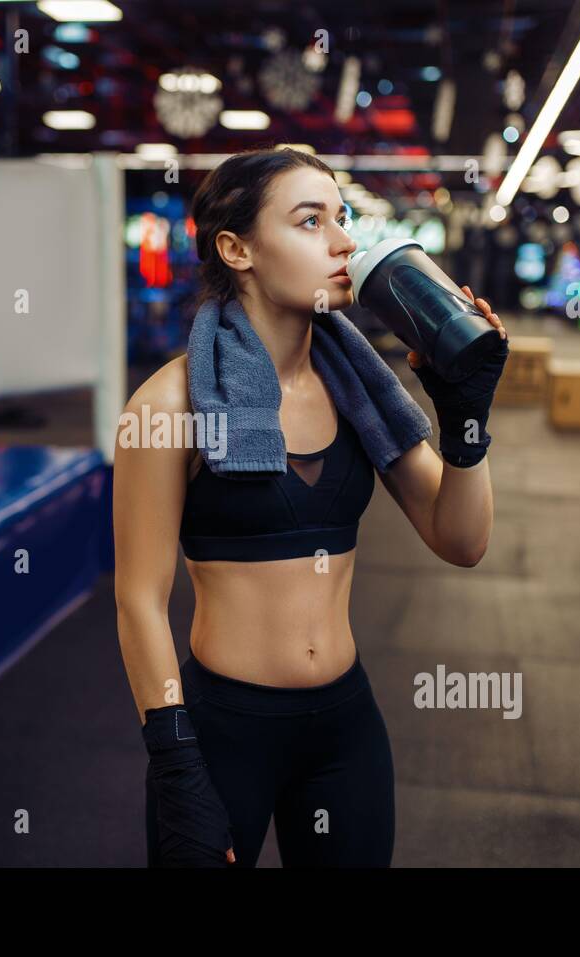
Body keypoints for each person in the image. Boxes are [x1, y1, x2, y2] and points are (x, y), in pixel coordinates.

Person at [113, 147, 509, 867]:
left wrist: (465, 419)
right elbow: (139, 598)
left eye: (342, 217)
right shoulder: (170, 404)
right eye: (309, 221)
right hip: (222, 731)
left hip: (344, 729)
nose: (343, 242)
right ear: (237, 249)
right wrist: (175, 764)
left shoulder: (360, 390)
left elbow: (462, 540)